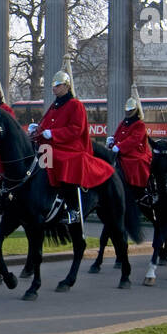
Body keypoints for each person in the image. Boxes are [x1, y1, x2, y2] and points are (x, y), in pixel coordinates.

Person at [28, 57, 115, 223]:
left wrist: (53, 134)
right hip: (51, 147)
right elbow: (45, 124)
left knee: (62, 161)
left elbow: (76, 129)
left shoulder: (76, 105)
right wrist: (37, 131)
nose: (54, 88)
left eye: (58, 85)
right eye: (53, 85)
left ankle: (73, 209)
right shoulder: (54, 106)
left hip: (71, 148)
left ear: (67, 86)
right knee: (36, 159)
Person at [106, 84, 151, 189]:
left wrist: (119, 147)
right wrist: (112, 141)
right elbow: (118, 135)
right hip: (123, 152)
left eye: (131, 110)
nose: (128, 112)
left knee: (136, 162)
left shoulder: (139, 124)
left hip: (136, 152)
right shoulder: (123, 122)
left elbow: (134, 140)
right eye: (127, 110)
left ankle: (137, 186)